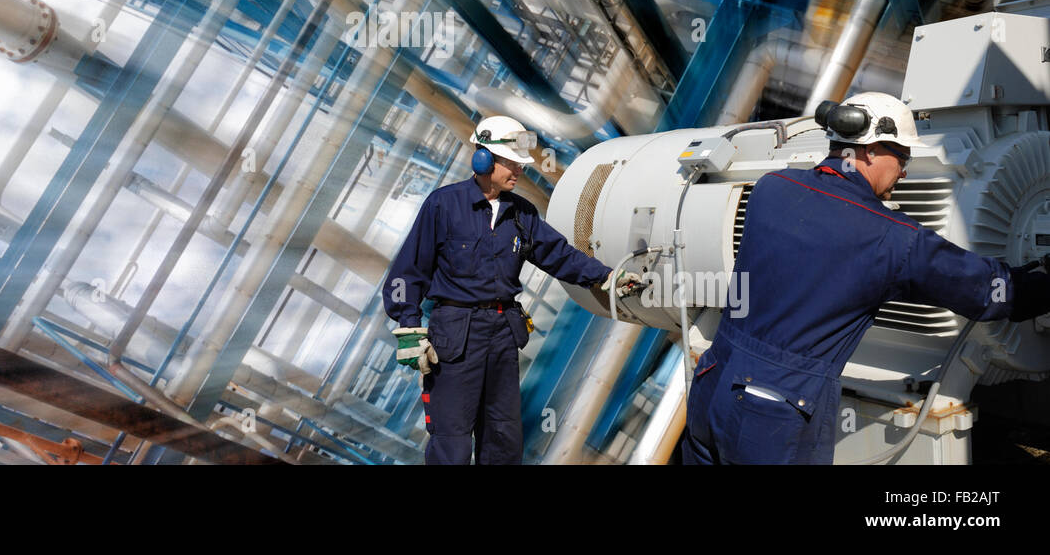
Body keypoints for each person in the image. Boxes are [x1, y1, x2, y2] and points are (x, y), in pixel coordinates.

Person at [683, 91, 1050, 465]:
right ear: (871, 150)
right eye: (902, 156)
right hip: (773, 417)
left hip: (711, 384)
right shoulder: (890, 238)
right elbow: (989, 292)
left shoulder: (771, 187)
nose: (905, 170)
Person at [383, 115, 638, 465]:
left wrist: (605, 277)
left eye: (522, 164)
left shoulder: (523, 214)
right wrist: (409, 327)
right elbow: (408, 271)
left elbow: (558, 255)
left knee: (503, 438)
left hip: (502, 334)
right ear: (484, 159)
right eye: (512, 164)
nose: (520, 171)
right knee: (452, 443)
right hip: (454, 336)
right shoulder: (444, 205)